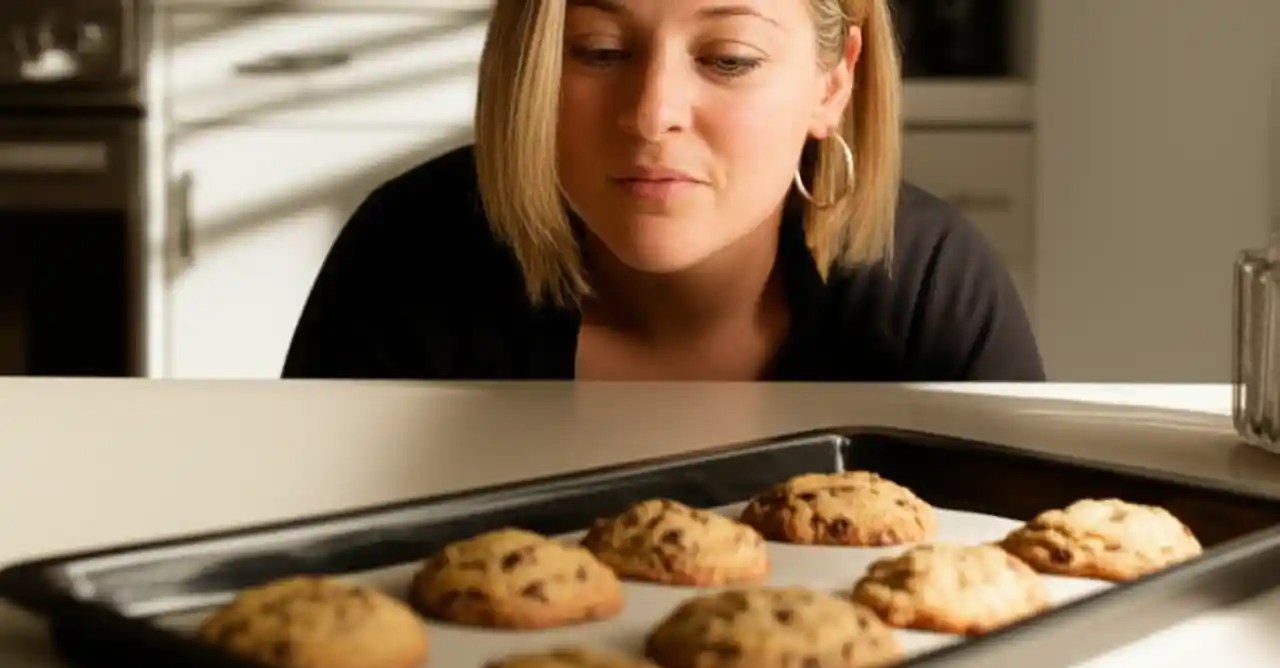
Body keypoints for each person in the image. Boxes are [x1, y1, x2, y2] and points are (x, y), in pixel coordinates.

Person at [282, 0, 1044, 382]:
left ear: (835, 80)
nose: (651, 114)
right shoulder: (404, 257)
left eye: (730, 59)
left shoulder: (932, 292)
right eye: (599, 51)